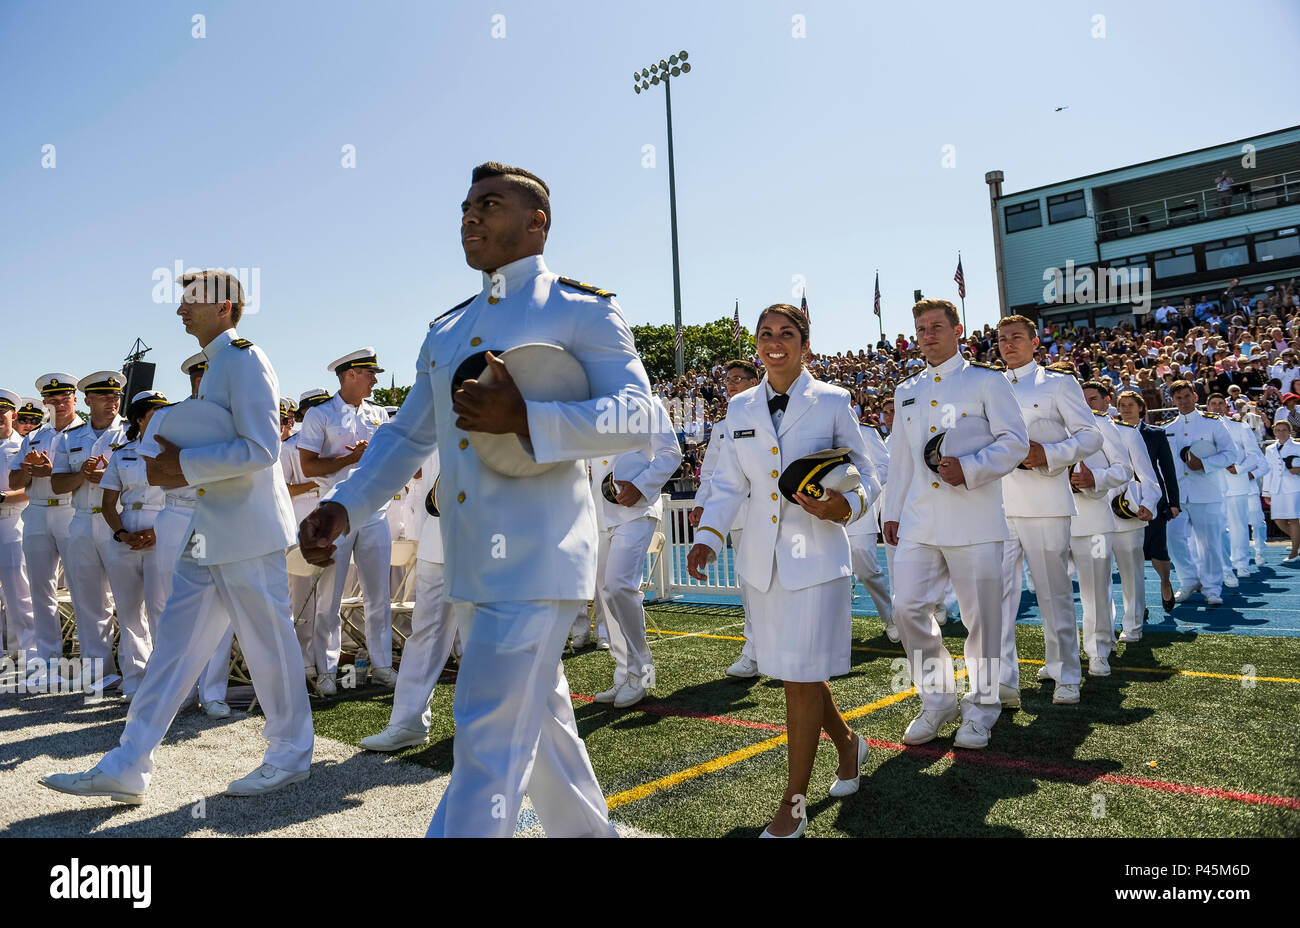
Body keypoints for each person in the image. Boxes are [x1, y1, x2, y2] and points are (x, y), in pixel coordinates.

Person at [299, 161, 654, 837]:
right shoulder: (447, 328)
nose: (470, 216)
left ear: (536, 223)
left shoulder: (582, 308)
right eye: (466, 206)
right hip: (469, 564)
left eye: (489, 205)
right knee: (544, 738)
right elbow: (405, 436)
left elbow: (638, 416)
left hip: (538, 560)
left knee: (486, 738)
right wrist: (344, 507)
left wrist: (528, 418)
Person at [41, 268, 314, 803]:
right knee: (172, 649)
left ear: (227, 309)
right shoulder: (215, 369)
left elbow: (261, 449)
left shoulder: (245, 359)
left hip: (247, 531)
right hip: (207, 529)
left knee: (269, 644)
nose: (181, 310)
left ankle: (289, 755)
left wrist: (181, 467)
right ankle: (128, 762)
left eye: (192, 301)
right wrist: (180, 468)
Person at [687, 303, 878, 838]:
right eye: (766, 334)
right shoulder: (740, 407)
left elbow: (866, 472)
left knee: (797, 678)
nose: (776, 343)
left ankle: (793, 804)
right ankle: (849, 746)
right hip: (761, 563)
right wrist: (708, 536)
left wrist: (847, 507)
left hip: (816, 559)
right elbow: (728, 483)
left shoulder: (834, 401)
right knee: (799, 670)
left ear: (805, 344)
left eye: (786, 334)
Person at [882, 299, 1027, 750]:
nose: (927, 334)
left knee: (982, 620)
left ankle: (983, 708)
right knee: (906, 608)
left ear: (957, 330)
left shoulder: (987, 380)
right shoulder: (907, 389)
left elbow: (1015, 442)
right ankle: (938, 699)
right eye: (921, 328)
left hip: (975, 518)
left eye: (936, 326)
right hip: (920, 520)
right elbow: (901, 456)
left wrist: (972, 467)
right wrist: (891, 510)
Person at [994, 318, 1101, 708]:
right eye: (1002, 339)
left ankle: (1066, 670)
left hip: (1045, 501)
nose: (1008, 345)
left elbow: (1091, 435)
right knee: (999, 597)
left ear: (1035, 342)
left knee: (1052, 593)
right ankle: (1005, 681)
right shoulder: (990, 385)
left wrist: (1050, 454)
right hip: (998, 504)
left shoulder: (1058, 383)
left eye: (1017, 337)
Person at [298, 349, 397, 693]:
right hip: (335, 512)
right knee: (330, 595)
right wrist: (350, 459)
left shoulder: (379, 413)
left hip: (373, 511)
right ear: (350, 374)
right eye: (370, 373)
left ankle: (382, 665)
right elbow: (309, 467)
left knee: (378, 594)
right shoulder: (320, 414)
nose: (375, 380)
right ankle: (326, 670)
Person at [359, 450, 455, 751]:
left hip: (492, 539)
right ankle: (408, 723)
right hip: (437, 537)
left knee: (498, 638)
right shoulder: (432, 407)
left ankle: (508, 729)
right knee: (424, 635)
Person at [589, 396, 680, 707]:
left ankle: (642, 672)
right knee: (605, 593)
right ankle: (623, 673)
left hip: (635, 508)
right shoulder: (586, 400)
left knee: (619, 587)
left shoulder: (647, 401)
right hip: (597, 513)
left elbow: (670, 453)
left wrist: (641, 485)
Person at [50, 371, 128, 690]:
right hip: (81, 520)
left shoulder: (130, 434)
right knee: (87, 600)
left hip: (118, 519)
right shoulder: (70, 439)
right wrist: (82, 475)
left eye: (115, 396)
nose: (112, 401)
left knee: (129, 601)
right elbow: (56, 484)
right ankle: (100, 673)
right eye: (104, 397)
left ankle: (136, 673)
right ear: (88, 401)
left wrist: (110, 480)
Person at [98, 391, 171, 701]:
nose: (163, 417)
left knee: (160, 610)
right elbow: (108, 505)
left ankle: (162, 683)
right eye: (155, 412)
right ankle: (134, 682)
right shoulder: (122, 453)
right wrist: (121, 534)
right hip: (126, 534)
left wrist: (157, 531)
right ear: (140, 418)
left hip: (163, 531)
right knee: (129, 613)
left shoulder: (173, 453)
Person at [689, 359, 761, 676]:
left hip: (777, 514)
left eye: (738, 379)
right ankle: (754, 652)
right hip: (739, 515)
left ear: (754, 382)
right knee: (748, 583)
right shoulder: (721, 427)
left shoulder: (771, 415)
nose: (731, 384)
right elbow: (711, 474)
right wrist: (701, 504)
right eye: (728, 379)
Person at [1072, 383, 1134, 677]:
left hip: (1095, 521)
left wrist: (1094, 478)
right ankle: (1061, 656)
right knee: (1054, 593)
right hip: (1052, 521)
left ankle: (1098, 651)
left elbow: (1124, 469)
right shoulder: (1051, 426)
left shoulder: (1102, 426)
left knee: (1096, 589)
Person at [1090, 384, 1160, 644]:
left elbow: (1148, 477)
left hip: (1125, 515)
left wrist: (1149, 504)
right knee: (1098, 576)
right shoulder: (1073, 435)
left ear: (1107, 401)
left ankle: (1132, 626)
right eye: (1083, 400)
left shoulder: (1126, 433)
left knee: (1131, 574)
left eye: (1093, 399)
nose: (1088, 405)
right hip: (1093, 519)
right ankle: (1104, 629)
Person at [1163, 380, 1239, 606]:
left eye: (1187, 396)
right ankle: (1188, 580)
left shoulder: (1213, 423)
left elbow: (1230, 454)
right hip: (1178, 494)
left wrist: (1204, 464)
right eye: (1178, 398)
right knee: (1173, 538)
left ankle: (1212, 587)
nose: (1183, 401)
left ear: (1195, 397)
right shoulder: (1167, 428)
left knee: (1209, 543)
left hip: (1206, 492)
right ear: (1172, 400)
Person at [1116, 390, 1181, 610]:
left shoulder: (1156, 434)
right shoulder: (1112, 432)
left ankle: (1165, 582)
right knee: (1131, 552)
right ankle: (1138, 604)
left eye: (1130, 405)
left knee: (1157, 549)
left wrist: (1174, 503)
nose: (1126, 409)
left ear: (1141, 408)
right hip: (1123, 500)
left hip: (1152, 499)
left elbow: (1168, 470)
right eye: (1122, 405)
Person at [1206, 393, 1265, 579]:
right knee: (1217, 528)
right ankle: (1223, 566)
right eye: (1213, 404)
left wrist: (1240, 468)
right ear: (1207, 406)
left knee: (1238, 526)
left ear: (1226, 406)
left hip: (1236, 484)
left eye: (1220, 403)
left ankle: (1241, 564)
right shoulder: (1202, 428)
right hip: (1211, 484)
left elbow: (1255, 454)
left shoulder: (1240, 427)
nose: (1216, 407)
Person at [0, 389, 34, 663]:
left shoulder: (25, 446)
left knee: (19, 591)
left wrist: (2, 497)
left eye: (3, 412)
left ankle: (25, 653)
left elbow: (30, 489)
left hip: (13, 519)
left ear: (14, 414)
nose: (0, 417)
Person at [1262, 412, 1300, 563]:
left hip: (1293, 487)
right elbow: (1267, 471)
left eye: (1284, 430)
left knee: (1293, 518)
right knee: (1278, 519)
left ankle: (1294, 552)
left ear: (1290, 431)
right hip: (1276, 488)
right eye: (1278, 430)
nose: (1281, 433)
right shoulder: (1270, 449)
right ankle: (1297, 542)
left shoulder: (1298, 446)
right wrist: (1266, 491)